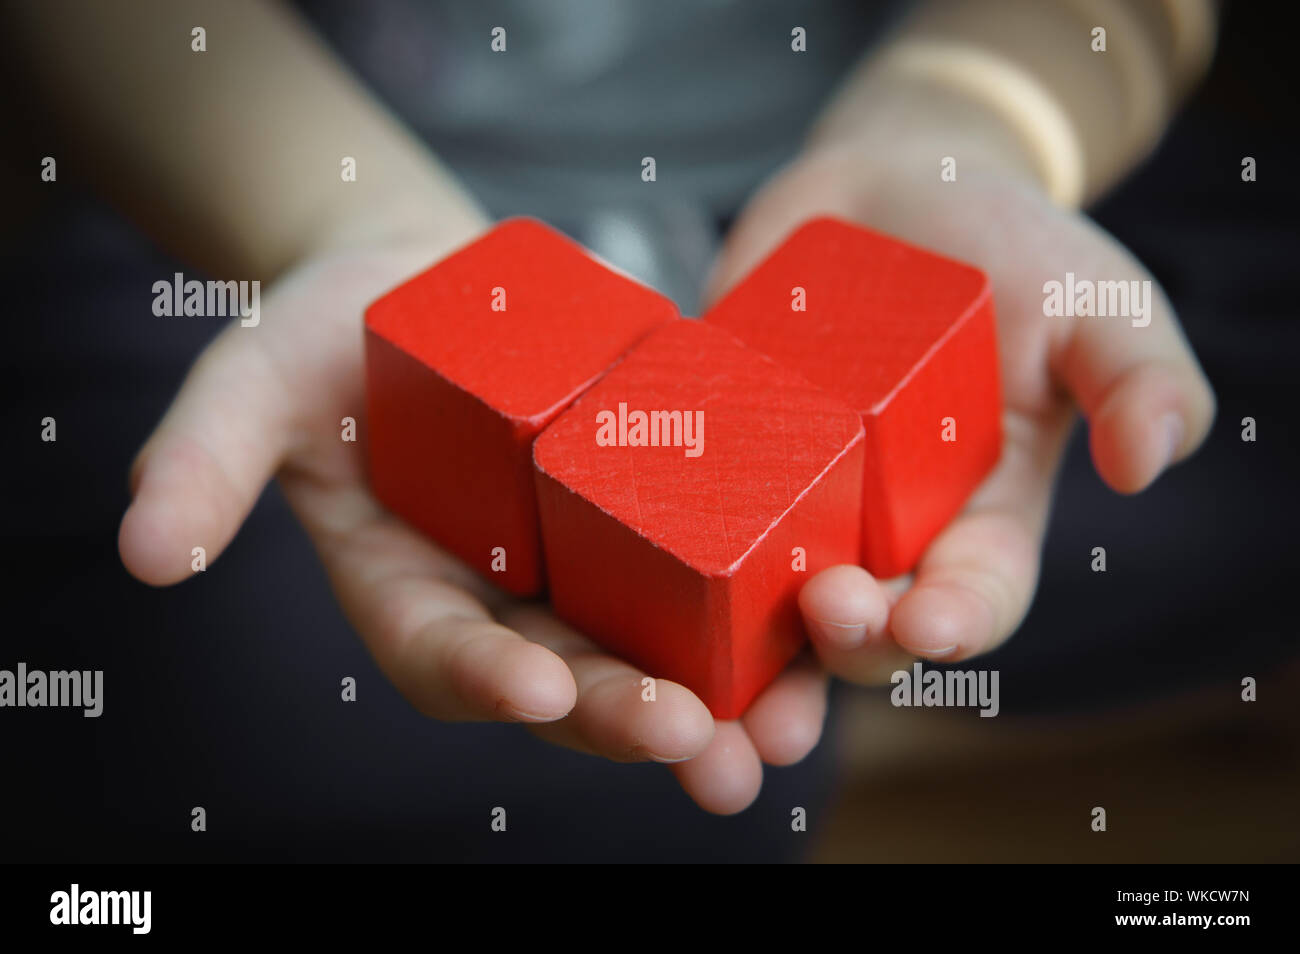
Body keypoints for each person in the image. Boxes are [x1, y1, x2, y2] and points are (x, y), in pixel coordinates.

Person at [11, 0, 1217, 815]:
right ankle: (892, 725)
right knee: (228, 692)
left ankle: (854, 714)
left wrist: (973, 126)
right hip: (337, 194)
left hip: (849, 175)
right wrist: (336, 224)